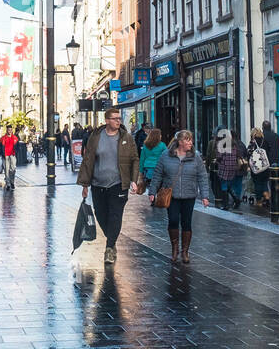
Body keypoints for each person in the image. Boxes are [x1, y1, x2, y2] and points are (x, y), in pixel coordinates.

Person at [77, 110, 139, 265]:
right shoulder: (96, 137)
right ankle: (112, 238)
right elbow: (88, 159)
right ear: (106, 121)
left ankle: (110, 247)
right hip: (98, 184)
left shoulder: (126, 138)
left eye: (119, 118)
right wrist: (85, 184)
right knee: (101, 215)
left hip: (118, 184)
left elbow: (134, 159)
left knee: (115, 215)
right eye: (115, 119)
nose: (118, 121)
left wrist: (133, 180)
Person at [146, 129, 212, 263]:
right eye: (188, 140)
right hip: (173, 195)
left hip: (189, 195)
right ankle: (174, 249)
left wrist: (205, 196)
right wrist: (152, 192)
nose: (191, 142)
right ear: (180, 142)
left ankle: (185, 252)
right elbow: (158, 174)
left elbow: (202, 177)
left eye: (191, 139)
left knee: (187, 222)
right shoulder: (166, 155)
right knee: (173, 220)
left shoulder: (195, 157)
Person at [215, 129, 247, 210]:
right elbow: (238, 155)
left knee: (224, 185)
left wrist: (217, 160)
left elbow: (219, 157)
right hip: (233, 167)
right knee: (228, 185)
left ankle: (226, 205)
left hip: (224, 167)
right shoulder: (234, 144)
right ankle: (236, 199)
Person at [247, 127, 272, 209]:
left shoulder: (252, 143)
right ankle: (267, 197)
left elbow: (249, 154)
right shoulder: (265, 142)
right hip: (265, 167)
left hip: (257, 168)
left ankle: (259, 200)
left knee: (258, 184)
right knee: (265, 183)